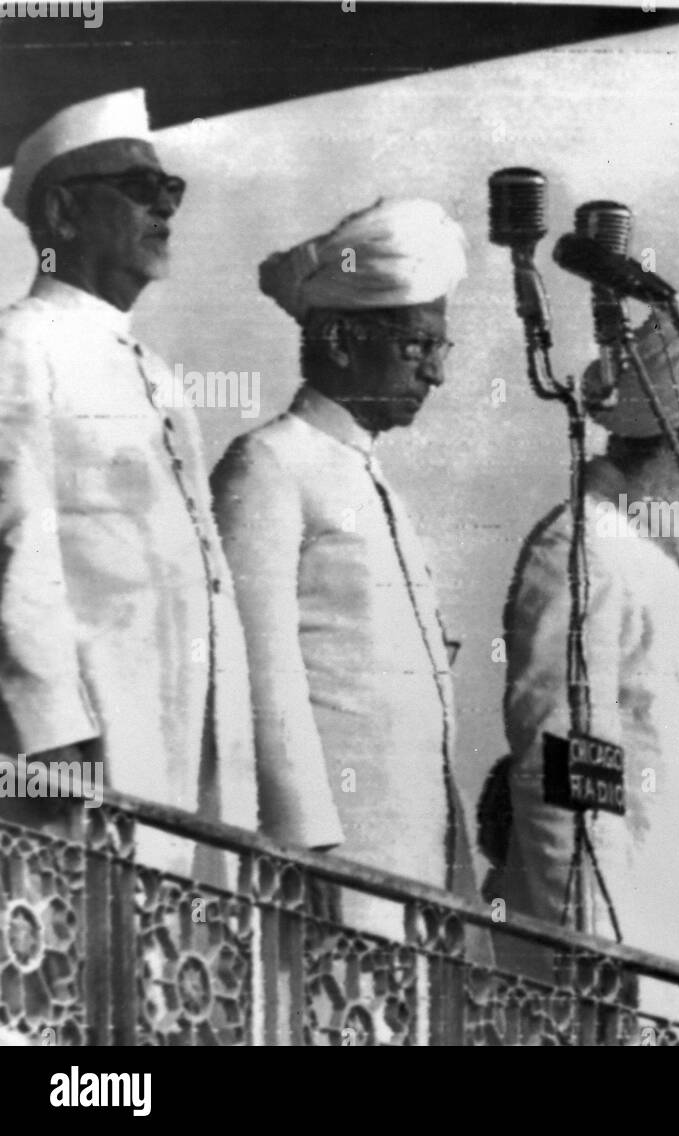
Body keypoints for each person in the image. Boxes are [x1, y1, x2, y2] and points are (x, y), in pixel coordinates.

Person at [0, 89, 257, 872]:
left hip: (179, 734)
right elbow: (17, 549)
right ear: (63, 216)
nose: (164, 208)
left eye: (170, 190)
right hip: (85, 739)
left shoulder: (159, 379)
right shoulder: (19, 345)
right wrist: (46, 731)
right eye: (138, 190)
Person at [210, 198, 480, 937]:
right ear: (337, 339)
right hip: (330, 866)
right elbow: (261, 673)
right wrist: (307, 852)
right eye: (418, 347)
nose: (437, 374)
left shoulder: (374, 482)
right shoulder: (268, 464)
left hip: (415, 863)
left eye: (440, 350)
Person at [497, 303, 679, 1020]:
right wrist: (600, 963)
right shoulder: (585, 550)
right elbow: (567, 770)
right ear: (668, 437)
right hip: (624, 975)